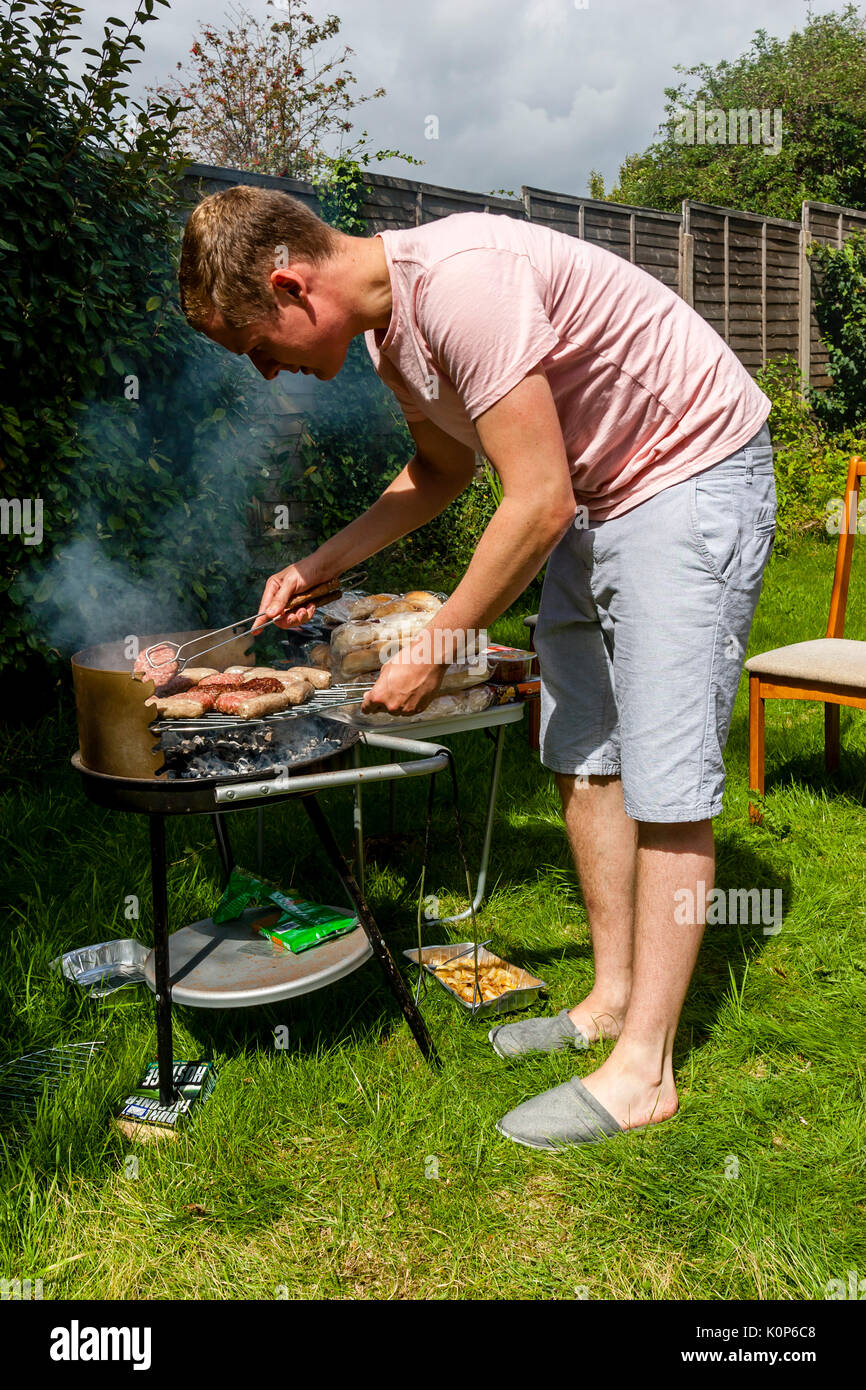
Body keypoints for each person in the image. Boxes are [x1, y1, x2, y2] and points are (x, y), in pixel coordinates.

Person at [178, 184, 776, 1150]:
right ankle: (613, 1003)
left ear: (291, 288)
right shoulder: (392, 336)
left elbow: (533, 501)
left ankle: (646, 1071)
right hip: (599, 490)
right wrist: (317, 565)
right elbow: (445, 473)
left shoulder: (462, 286)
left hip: (687, 471)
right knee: (584, 748)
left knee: (668, 776)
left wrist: (444, 639)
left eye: (257, 346)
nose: (266, 372)